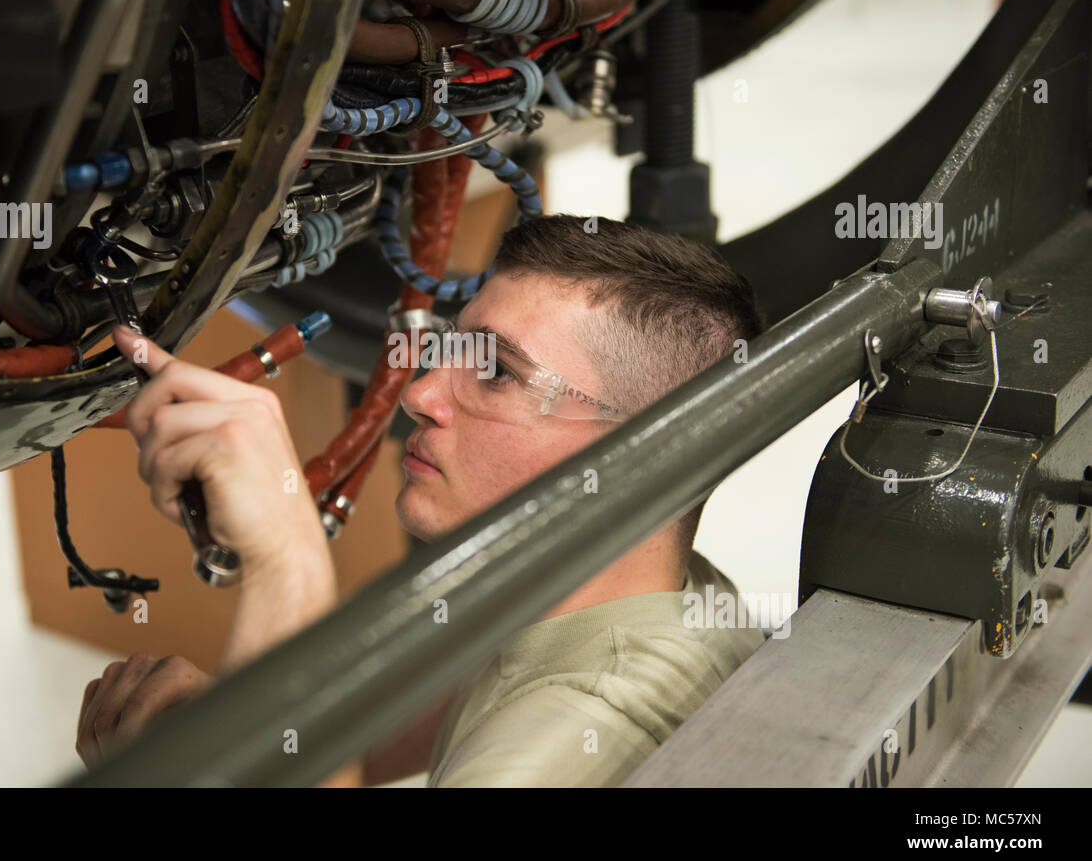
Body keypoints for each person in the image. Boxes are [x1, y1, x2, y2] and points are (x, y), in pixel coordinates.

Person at [75, 214, 769, 786]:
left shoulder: (551, 754)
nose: (419, 394)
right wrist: (215, 743)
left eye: (496, 371)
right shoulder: (645, 589)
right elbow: (436, 705)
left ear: (641, 453)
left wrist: (289, 562)